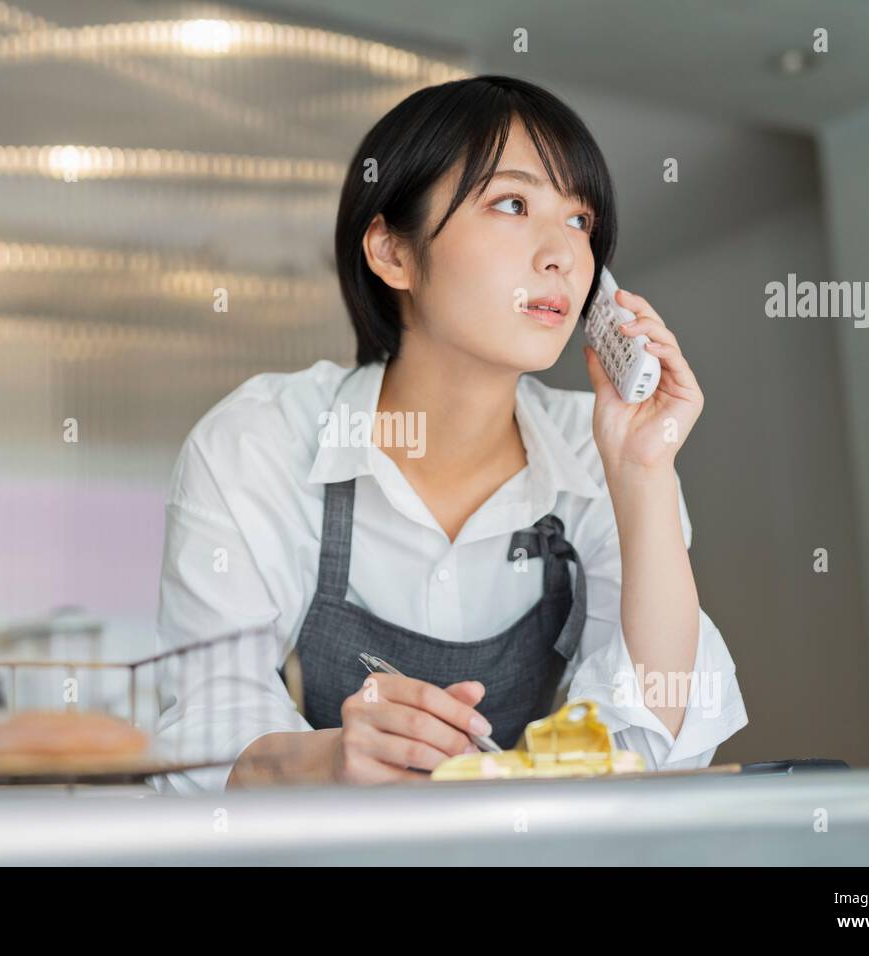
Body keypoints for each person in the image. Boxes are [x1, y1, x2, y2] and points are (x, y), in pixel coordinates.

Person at [152, 74, 747, 792]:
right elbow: (203, 735)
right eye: (512, 203)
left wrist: (643, 473)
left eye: (580, 220)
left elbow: (654, 750)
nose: (563, 254)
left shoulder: (602, 454)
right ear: (392, 253)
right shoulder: (258, 442)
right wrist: (331, 762)